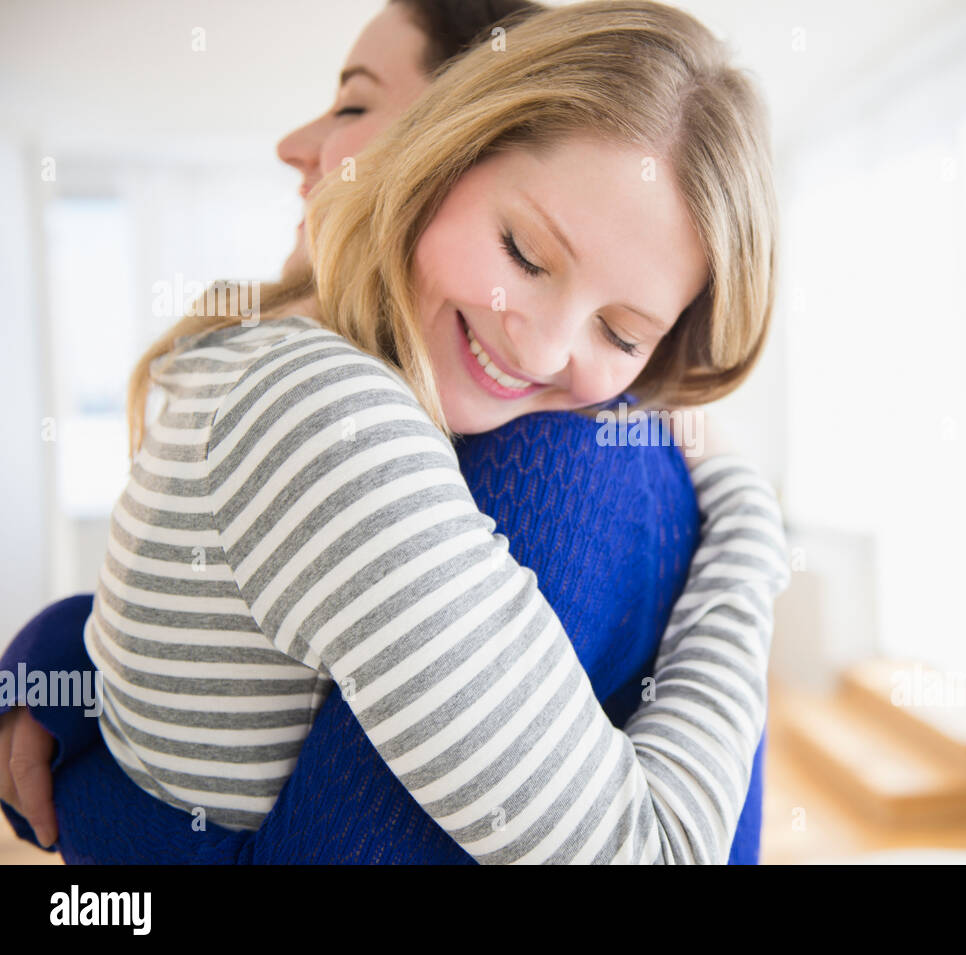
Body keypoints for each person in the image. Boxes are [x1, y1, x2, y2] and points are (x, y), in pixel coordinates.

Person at [1, 0, 785, 864]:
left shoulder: (310, 378)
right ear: (442, 152)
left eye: (622, 333)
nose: (545, 343)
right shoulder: (335, 410)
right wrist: (751, 547)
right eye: (523, 253)